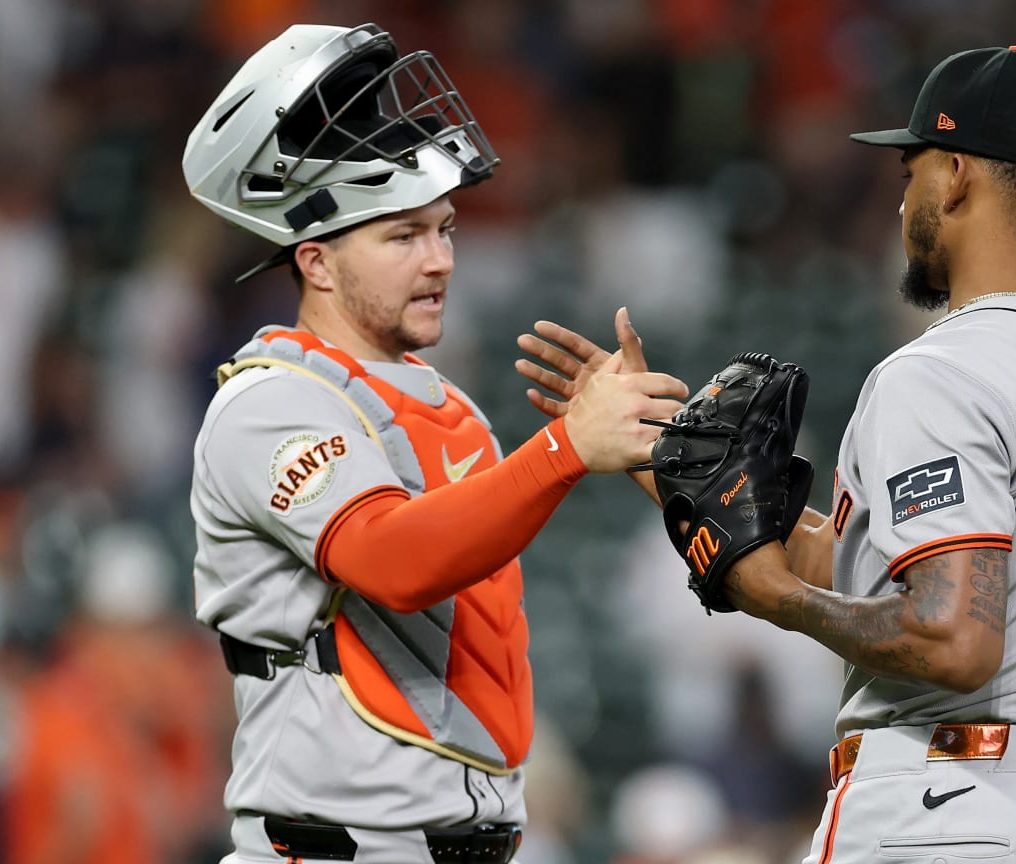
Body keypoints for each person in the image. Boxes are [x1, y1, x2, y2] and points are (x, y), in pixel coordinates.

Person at [517, 46, 1016, 862]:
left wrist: (772, 595)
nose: (902, 206)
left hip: (951, 806)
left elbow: (952, 640)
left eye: (910, 175)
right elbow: (890, 571)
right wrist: (669, 455)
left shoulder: (941, 369)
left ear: (957, 173)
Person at [181, 23, 687, 864]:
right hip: (334, 850)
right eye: (402, 235)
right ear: (316, 262)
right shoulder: (269, 402)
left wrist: (655, 458)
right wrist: (565, 449)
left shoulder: (446, 404)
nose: (441, 259)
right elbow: (393, 561)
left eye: (445, 227)